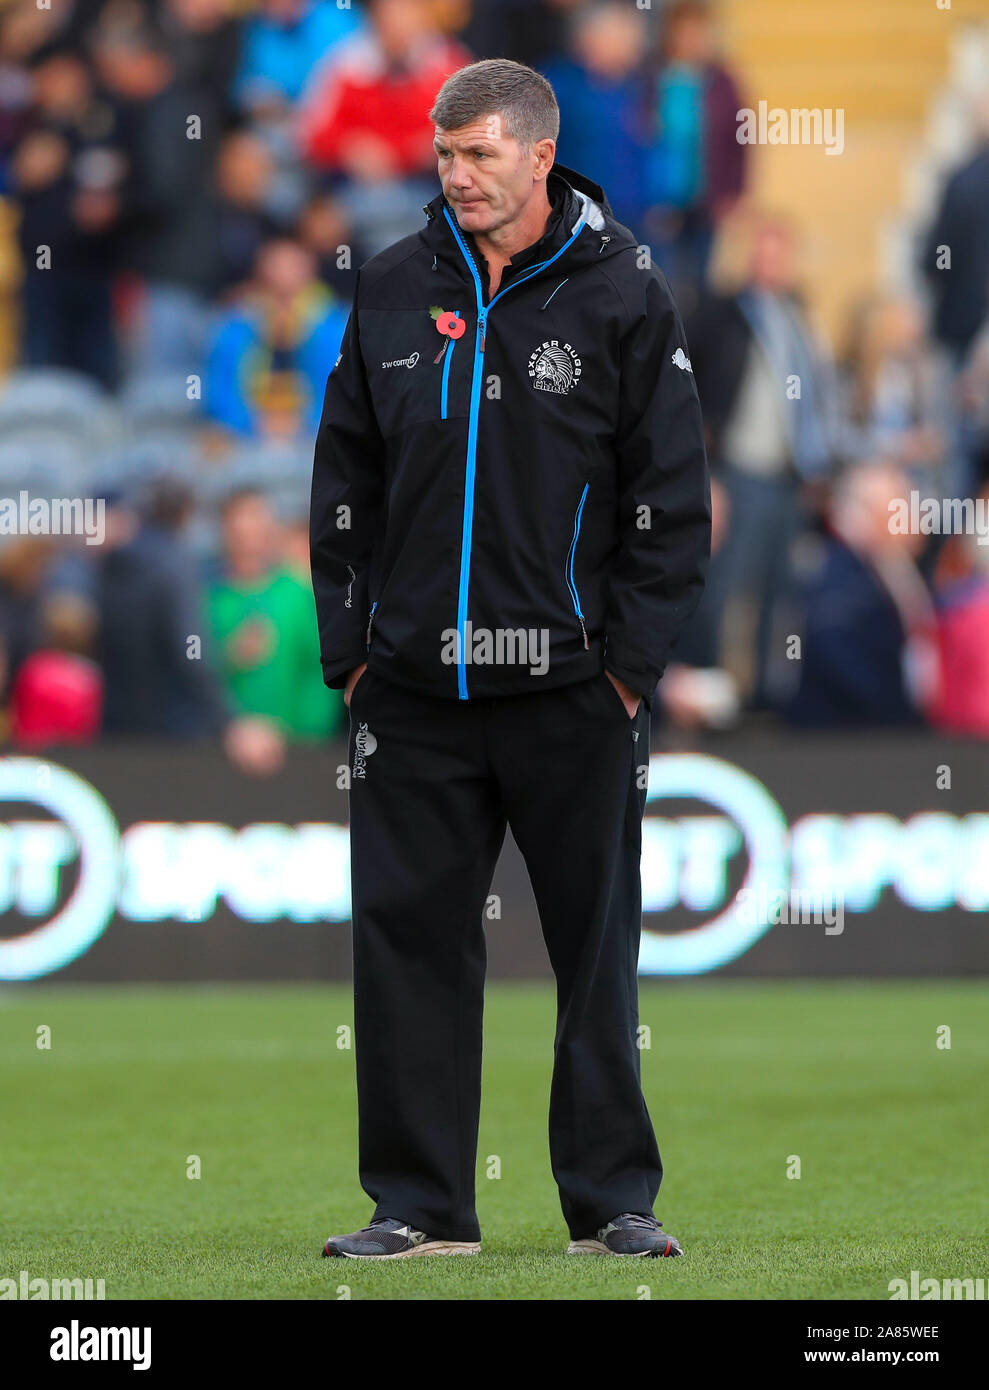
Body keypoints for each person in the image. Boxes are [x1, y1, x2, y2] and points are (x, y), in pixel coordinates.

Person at [311, 58, 710, 1260]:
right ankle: (420, 1208)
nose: (456, 174)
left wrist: (625, 669)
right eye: (445, 154)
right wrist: (351, 657)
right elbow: (344, 486)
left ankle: (610, 1204)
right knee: (405, 950)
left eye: (478, 153)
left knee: (595, 956)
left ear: (539, 155)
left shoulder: (625, 290)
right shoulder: (388, 282)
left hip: (572, 692)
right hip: (415, 693)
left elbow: (672, 502)